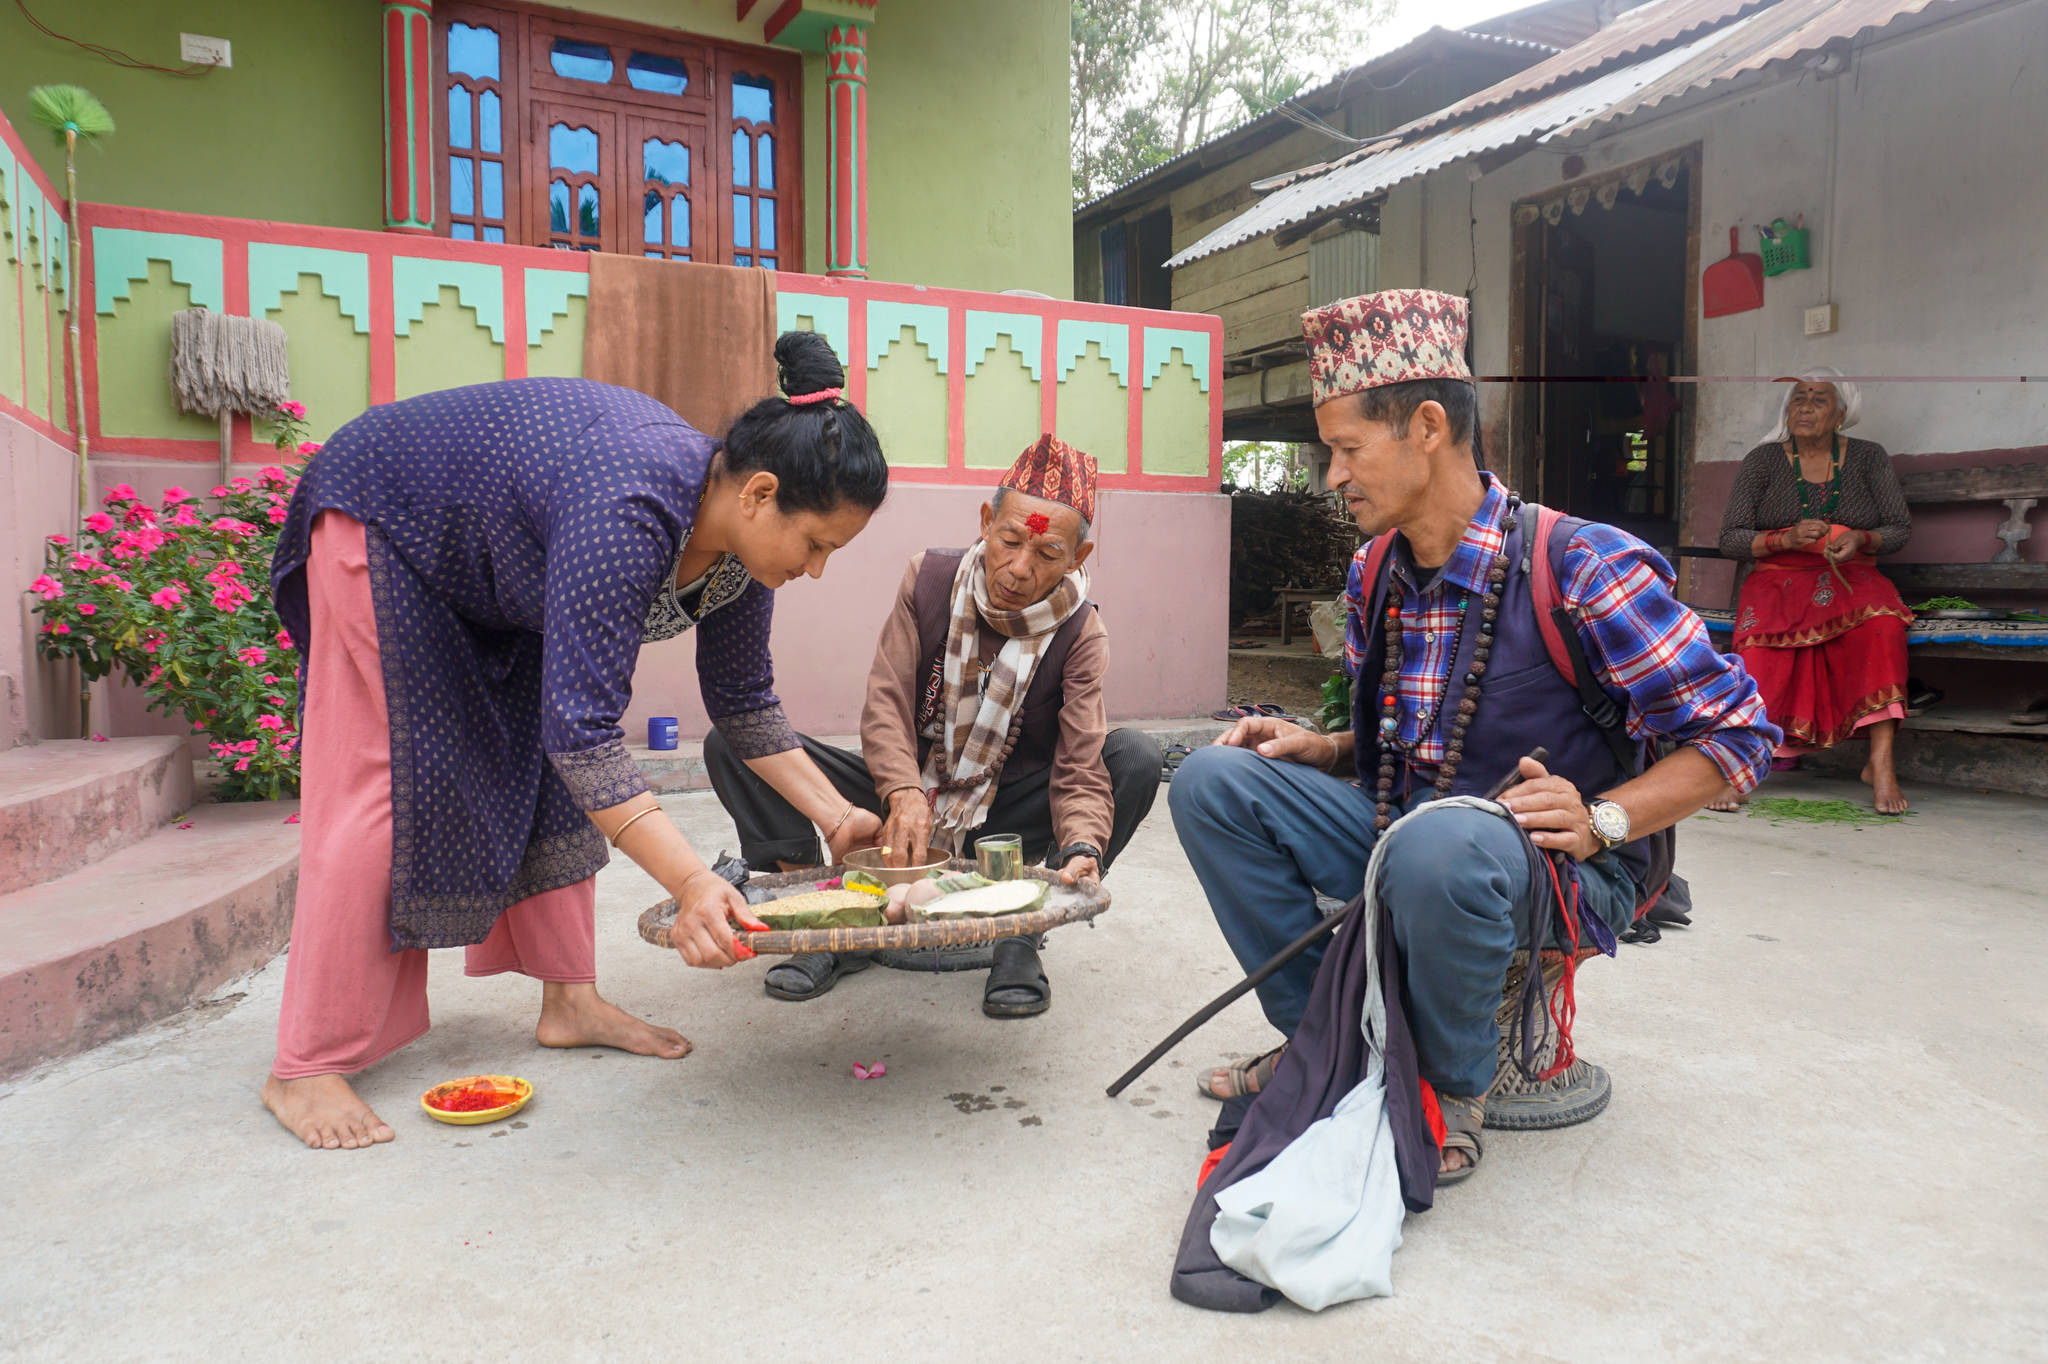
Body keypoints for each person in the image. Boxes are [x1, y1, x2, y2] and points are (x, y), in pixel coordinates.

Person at [1167, 289, 1778, 1183]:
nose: (1332, 478)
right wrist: (1325, 748)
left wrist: (1606, 819)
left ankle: (1448, 1088)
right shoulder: (1373, 569)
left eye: (1345, 450)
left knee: (1446, 837)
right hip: (1401, 838)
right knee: (1208, 783)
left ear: (1424, 427)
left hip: (1551, 870)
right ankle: (1321, 1040)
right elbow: (1401, 736)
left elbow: (1740, 737)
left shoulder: (1583, 564)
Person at [261, 332, 889, 1151]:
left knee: (555, 775)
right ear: (761, 493)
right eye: (816, 546)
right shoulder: (627, 510)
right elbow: (587, 734)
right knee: (392, 784)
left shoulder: (737, 549)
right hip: (388, 522)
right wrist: (696, 883)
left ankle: (570, 1002)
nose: (815, 571)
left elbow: (742, 703)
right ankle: (303, 1064)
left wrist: (839, 820)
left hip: (496, 565)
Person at [705, 434, 1161, 1017]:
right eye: (1010, 540)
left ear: (1078, 557)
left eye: (1048, 555)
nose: (1019, 569)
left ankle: (1018, 936)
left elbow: (1079, 766)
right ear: (985, 521)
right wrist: (902, 791)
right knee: (736, 743)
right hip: (903, 794)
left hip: (1009, 811)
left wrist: (1082, 847)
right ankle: (833, 915)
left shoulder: (1081, 634)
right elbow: (887, 703)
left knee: (1136, 758)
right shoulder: (927, 580)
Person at [1713, 367, 1913, 814]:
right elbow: (1730, 538)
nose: (1805, 406)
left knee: (1882, 627)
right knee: (1761, 648)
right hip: (1778, 577)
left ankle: (1880, 764)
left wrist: (1862, 538)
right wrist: (1784, 539)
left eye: (1819, 399)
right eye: (1798, 399)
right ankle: (1748, 762)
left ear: (1841, 413)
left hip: (1850, 575)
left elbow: (1898, 528)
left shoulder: (1868, 457)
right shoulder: (1762, 461)